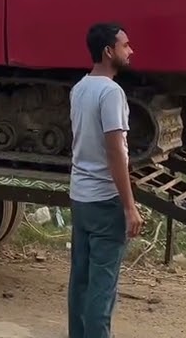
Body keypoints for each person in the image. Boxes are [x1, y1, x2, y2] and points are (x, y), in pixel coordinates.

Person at [67, 22, 144, 338]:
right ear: (108, 51)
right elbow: (115, 152)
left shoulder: (80, 87)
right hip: (104, 201)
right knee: (102, 286)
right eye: (125, 45)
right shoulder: (111, 92)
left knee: (81, 282)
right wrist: (129, 207)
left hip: (80, 197)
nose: (131, 50)